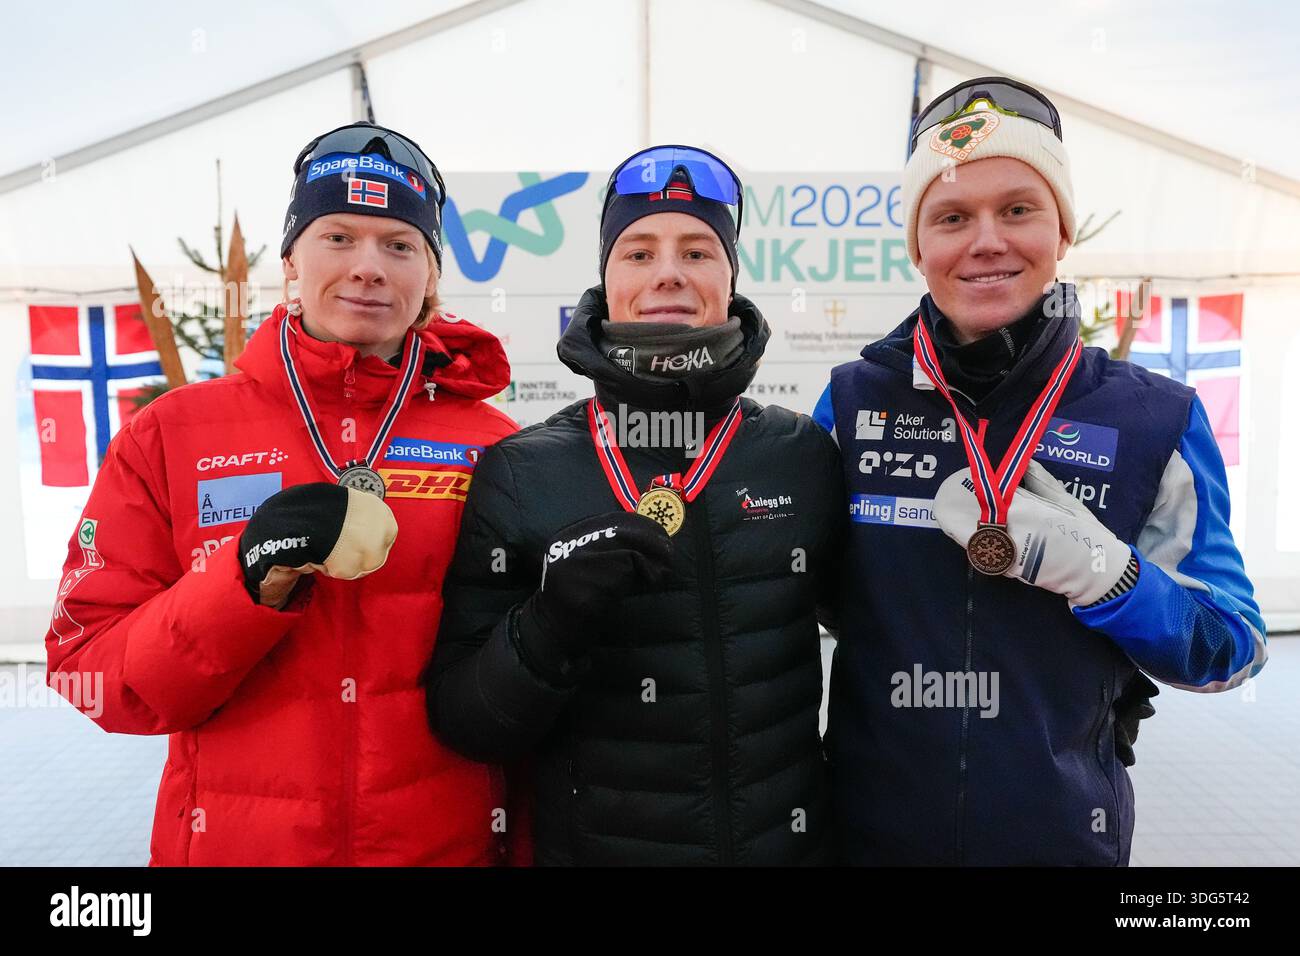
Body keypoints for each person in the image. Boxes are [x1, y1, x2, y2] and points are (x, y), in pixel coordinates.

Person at [813, 77, 1267, 866]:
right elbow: (804, 591)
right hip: (866, 837)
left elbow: (1232, 648)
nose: (986, 240)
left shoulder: (1154, 417)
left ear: (1062, 229)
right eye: (952, 217)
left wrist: (1113, 579)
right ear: (918, 247)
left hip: (1061, 841)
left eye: (1018, 209)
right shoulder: (851, 401)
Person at [44, 121, 520, 865]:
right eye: (338, 236)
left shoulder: (496, 444)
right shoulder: (171, 434)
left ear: (430, 275)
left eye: (400, 246)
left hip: (442, 847)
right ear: (291, 261)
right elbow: (89, 669)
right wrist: (239, 586)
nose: (368, 267)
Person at [425, 145, 843, 865]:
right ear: (607, 280)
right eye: (639, 252)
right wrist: (547, 625)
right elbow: (467, 724)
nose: (669, 273)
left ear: (730, 277)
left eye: (698, 250)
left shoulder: (799, 454)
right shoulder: (525, 471)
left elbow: (889, 629)